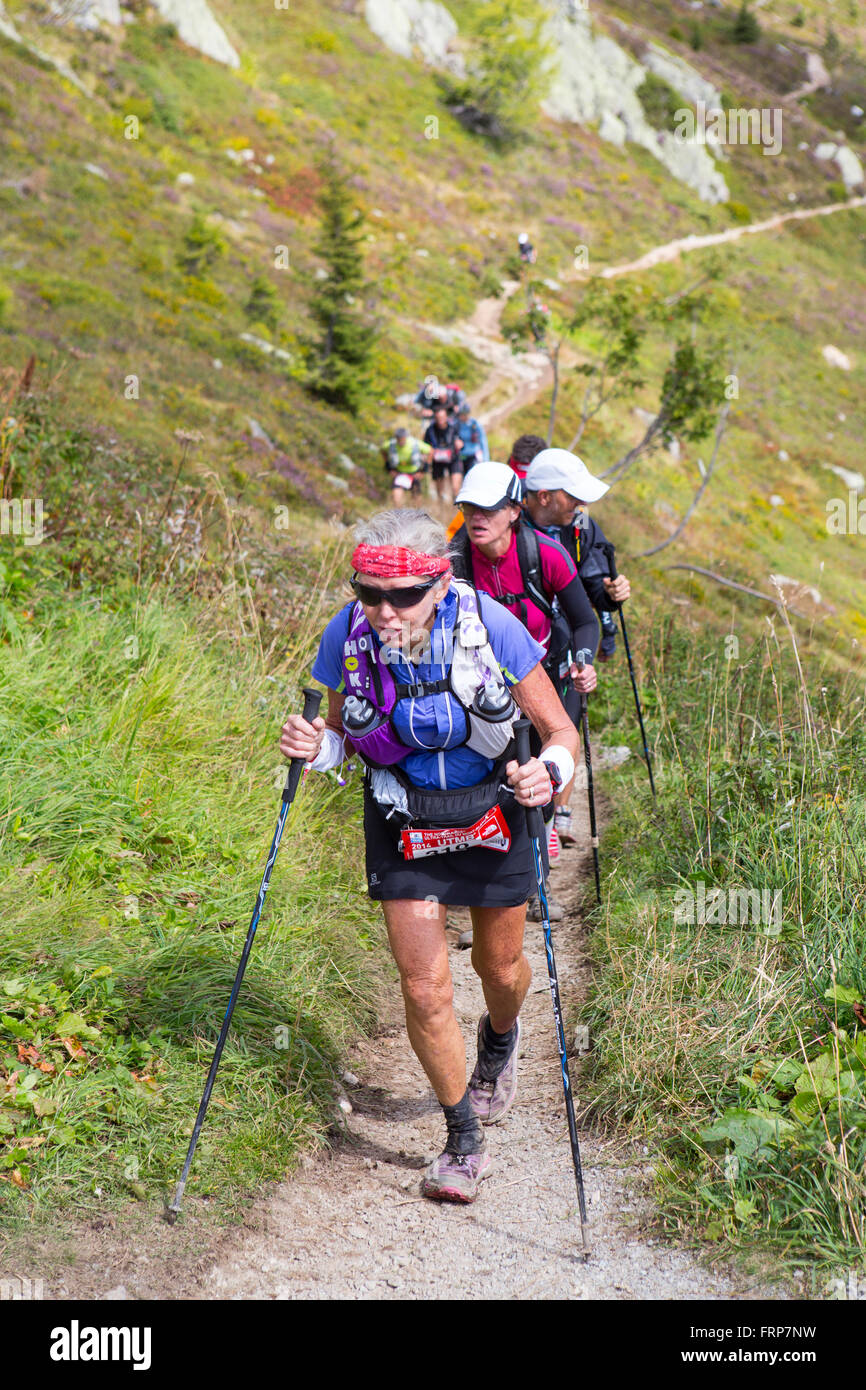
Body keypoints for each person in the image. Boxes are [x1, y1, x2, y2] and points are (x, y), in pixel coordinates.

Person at [279, 509, 578, 1204]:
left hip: (494, 808)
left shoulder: (491, 625)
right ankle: (462, 1139)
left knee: (498, 967)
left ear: (439, 584)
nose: (385, 611)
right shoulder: (346, 635)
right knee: (424, 987)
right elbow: (340, 739)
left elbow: (557, 729)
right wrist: (310, 747)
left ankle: (500, 1038)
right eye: (369, 593)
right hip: (400, 812)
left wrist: (550, 775)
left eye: (404, 595)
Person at [448, 462, 599, 920]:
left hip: (550, 679)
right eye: (470, 507)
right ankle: (490, 894)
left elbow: (585, 621)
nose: (478, 516)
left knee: (542, 783)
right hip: (482, 689)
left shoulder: (546, 554)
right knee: (494, 785)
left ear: (515, 510)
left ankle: (537, 885)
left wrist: (584, 662)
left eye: (489, 508)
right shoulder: (454, 563)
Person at [523, 448, 631, 846]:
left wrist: (612, 595)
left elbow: (591, 599)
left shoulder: (582, 526)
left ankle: (545, 831)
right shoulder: (505, 532)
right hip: (509, 666)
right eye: (573, 495)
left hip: (564, 655)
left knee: (556, 742)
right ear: (546, 496)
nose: (582, 504)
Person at [423, 405, 463, 509]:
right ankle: (442, 509)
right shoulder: (430, 430)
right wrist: (430, 452)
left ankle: (457, 508)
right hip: (438, 461)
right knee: (439, 489)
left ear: (446, 417)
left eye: (442, 418)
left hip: (453, 459)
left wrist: (459, 444)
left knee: (455, 487)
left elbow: (462, 442)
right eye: (437, 418)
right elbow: (426, 446)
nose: (440, 420)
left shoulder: (454, 428)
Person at [381, 426, 431, 508]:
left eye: (402, 439)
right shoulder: (391, 444)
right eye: (399, 439)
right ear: (396, 438)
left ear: (406, 437)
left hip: (414, 473)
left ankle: (417, 517)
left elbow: (430, 451)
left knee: (417, 501)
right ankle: (399, 515)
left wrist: (424, 470)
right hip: (400, 473)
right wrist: (388, 467)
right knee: (396, 498)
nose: (401, 441)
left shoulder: (415, 443)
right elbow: (382, 450)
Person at [454, 402, 489, 473]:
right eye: (461, 414)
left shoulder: (475, 425)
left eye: (464, 414)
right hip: (461, 456)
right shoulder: (456, 424)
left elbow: (483, 442)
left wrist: (486, 459)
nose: (462, 416)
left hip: (473, 455)